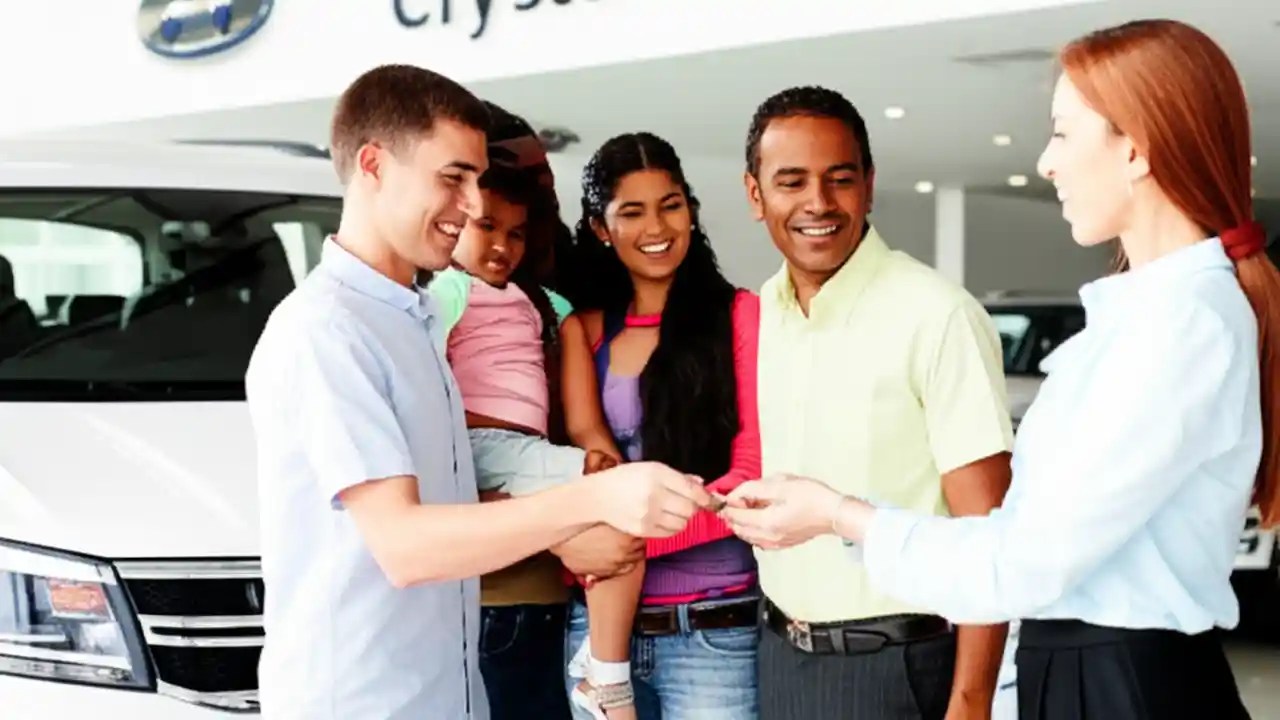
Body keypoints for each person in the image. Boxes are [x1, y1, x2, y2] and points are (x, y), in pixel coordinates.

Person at [720, 19, 1280, 720]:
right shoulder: (1149, 317)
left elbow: (1021, 560)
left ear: (1134, 147)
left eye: (1064, 133)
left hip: (1121, 683)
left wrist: (839, 514)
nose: (1047, 162)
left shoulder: (1182, 325)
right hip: (1089, 671)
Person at [244, 64, 713, 720]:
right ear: (374, 164)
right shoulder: (327, 332)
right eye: (453, 179)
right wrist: (590, 498)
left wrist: (574, 527)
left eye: (475, 180)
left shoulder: (417, 317)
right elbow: (405, 546)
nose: (471, 206)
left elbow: (456, 496)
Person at [734, 86, 1015, 720]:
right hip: (778, 658)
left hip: (901, 670)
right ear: (755, 195)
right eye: (791, 181)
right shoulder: (760, 318)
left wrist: (971, 703)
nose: (818, 203)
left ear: (869, 184)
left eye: (840, 179)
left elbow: (989, 533)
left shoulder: (938, 315)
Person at [429, 160, 659, 720]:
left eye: (516, 232)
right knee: (620, 501)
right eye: (487, 227)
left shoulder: (542, 304)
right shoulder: (447, 290)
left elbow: (575, 351)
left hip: (524, 461)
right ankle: (604, 675)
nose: (503, 245)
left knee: (618, 517)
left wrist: (594, 452)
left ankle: (600, 669)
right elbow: (424, 384)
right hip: (483, 447)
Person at [552, 131, 764, 719]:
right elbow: (574, 465)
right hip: (594, 632)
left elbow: (749, 470)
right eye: (632, 211)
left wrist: (624, 542)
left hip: (712, 632)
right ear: (601, 228)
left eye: (671, 205)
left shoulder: (740, 314)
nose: (657, 227)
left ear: (691, 211)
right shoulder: (585, 332)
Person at [460, 100, 584, 720]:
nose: (504, 241)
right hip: (484, 590)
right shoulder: (435, 294)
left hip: (546, 590)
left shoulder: (550, 300)